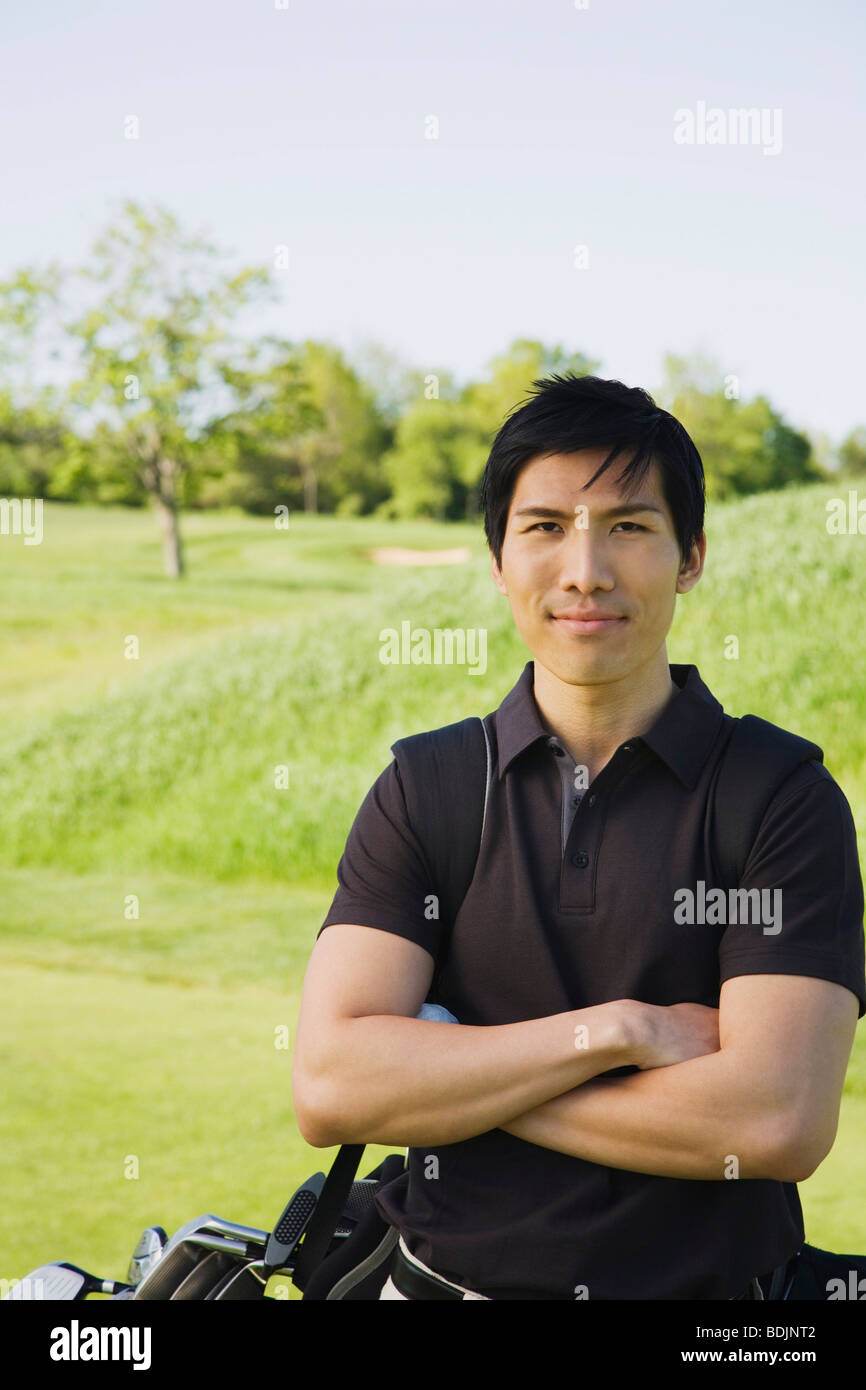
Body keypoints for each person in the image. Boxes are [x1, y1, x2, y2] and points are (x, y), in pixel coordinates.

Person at [292, 374, 866, 1300]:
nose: (586, 570)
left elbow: (775, 1124)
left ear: (691, 557)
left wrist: (455, 1067)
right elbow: (330, 1089)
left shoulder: (780, 797)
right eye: (546, 526)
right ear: (498, 558)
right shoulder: (427, 785)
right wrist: (621, 1033)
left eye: (630, 526)